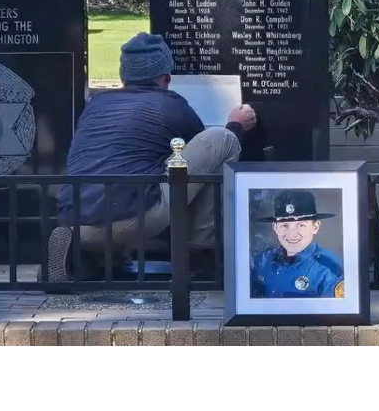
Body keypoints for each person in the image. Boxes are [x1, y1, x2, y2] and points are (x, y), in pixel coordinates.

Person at [48, 32, 256, 282]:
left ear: (123, 77)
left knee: (126, 174)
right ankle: (202, 255)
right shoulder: (170, 104)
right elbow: (205, 156)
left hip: (74, 219)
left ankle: (87, 257)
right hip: (131, 220)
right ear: (165, 77)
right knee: (221, 141)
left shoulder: (96, 103)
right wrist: (235, 126)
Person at [250, 190, 344, 299]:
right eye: (284, 225)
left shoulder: (330, 269)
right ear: (275, 227)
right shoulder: (264, 260)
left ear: (315, 227)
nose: (292, 234)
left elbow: (337, 314)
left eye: (301, 225)